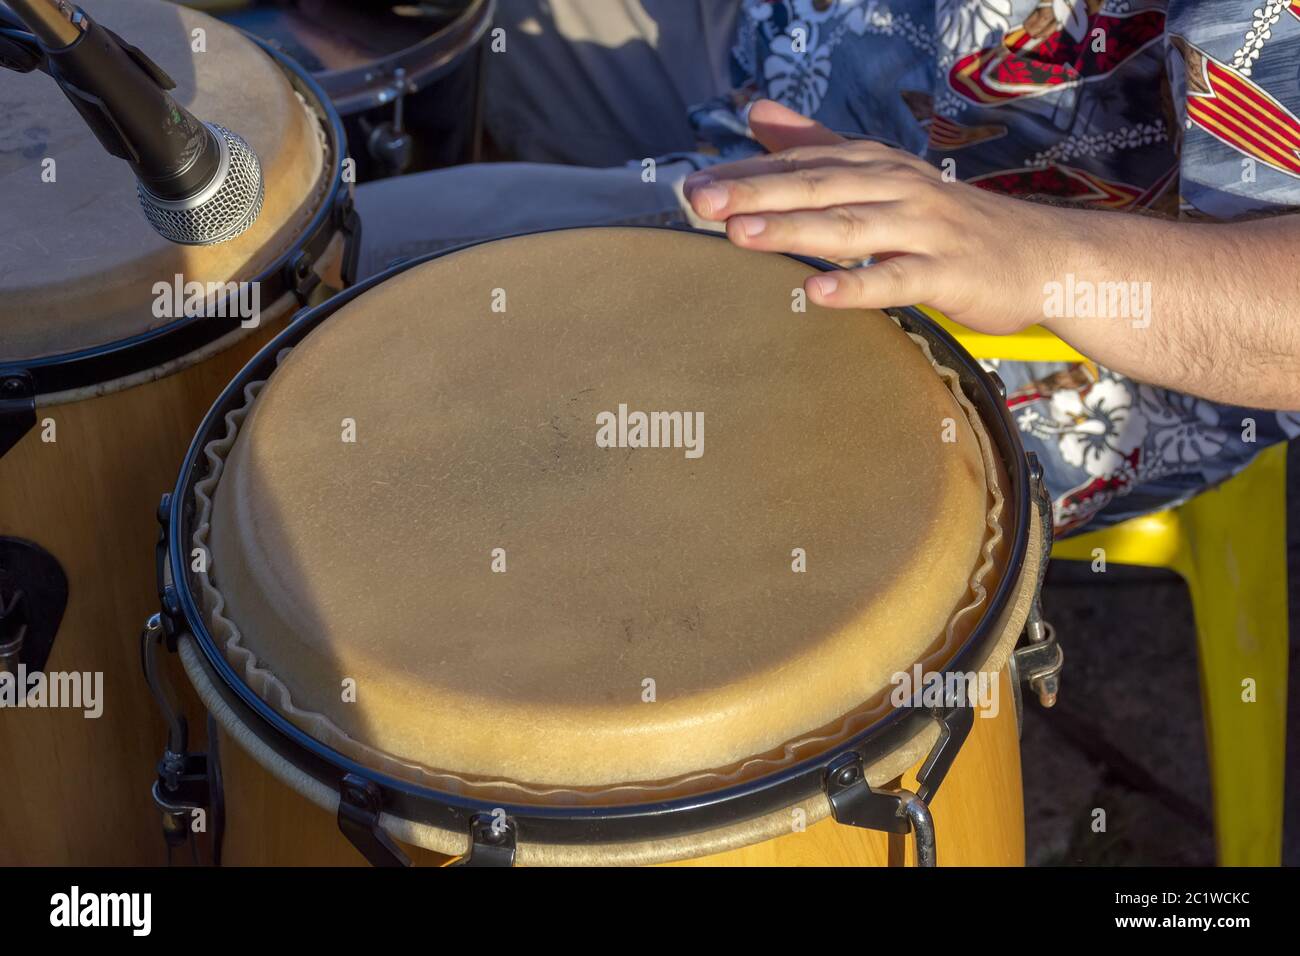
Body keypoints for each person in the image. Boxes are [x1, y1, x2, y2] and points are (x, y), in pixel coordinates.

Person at [356, 0, 1300, 535]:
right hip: (785, 43)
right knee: (380, 50)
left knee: (324, 268)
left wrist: (1040, 256)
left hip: (1017, 290)